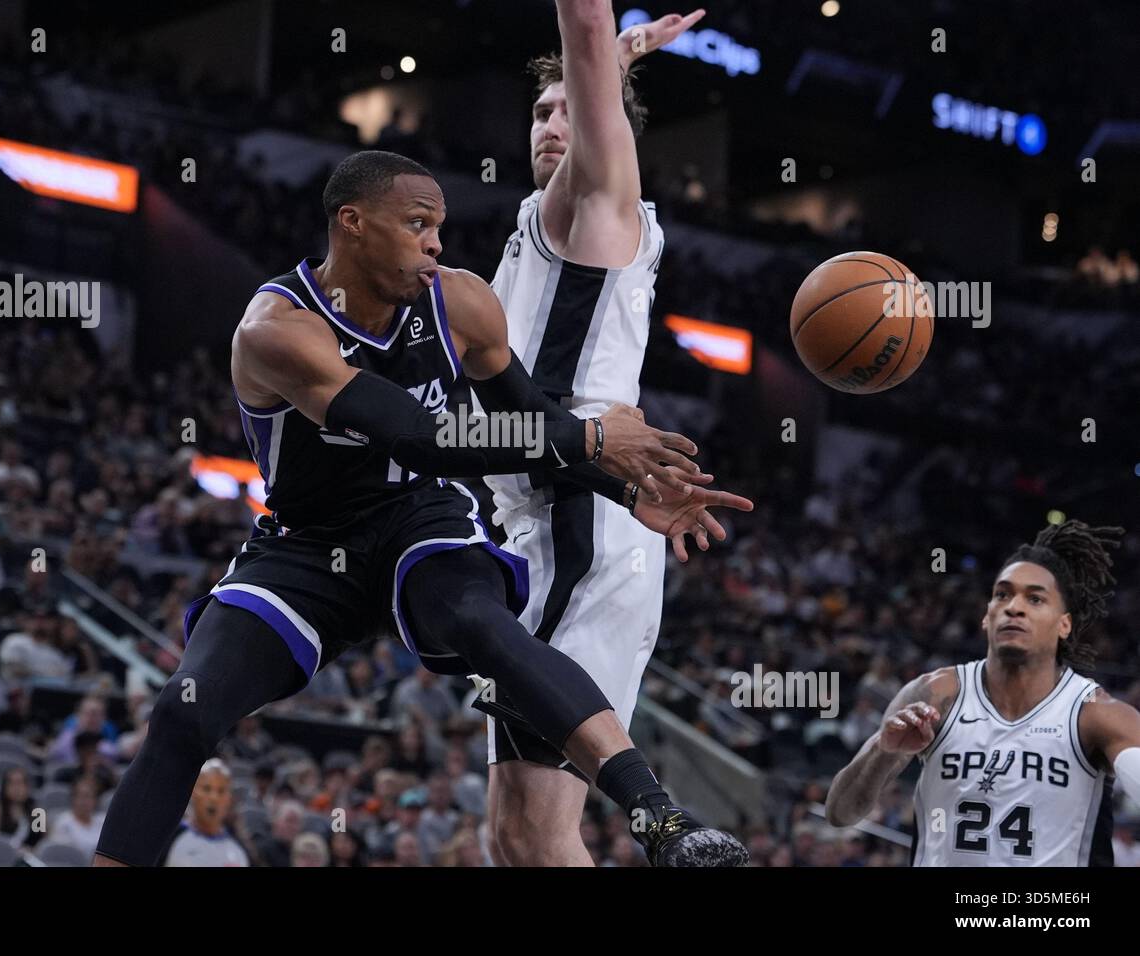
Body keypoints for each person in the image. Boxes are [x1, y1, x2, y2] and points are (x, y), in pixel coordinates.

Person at [94, 149, 750, 868]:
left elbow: (528, 424)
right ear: (352, 223)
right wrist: (592, 433)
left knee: (480, 623)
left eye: (438, 226)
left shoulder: (461, 301)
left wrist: (626, 491)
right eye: (416, 224)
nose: (436, 243)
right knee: (183, 710)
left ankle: (659, 817)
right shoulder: (277, 328)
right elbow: (420, 433)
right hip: (308, 545)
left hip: (419, 519)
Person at [480, 4, 728, 865]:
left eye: (567, 109)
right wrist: (620, 58)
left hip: (581, 509)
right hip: (541, 514)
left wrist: (602, 47)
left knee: (538, 833)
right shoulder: (540, 218)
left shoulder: (598, 197)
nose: (551, 122)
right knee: (516, 834)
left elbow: (583, 28)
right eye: (538, 111)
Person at [826, 521, 1140, 866]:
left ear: (1064, 624)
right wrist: (882, 753)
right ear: (986, 617)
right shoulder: (934, 694)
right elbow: (841, 813)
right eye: (1003, 594)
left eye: (1035, 598)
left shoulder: (1095, 714)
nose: (1014, 607)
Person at [162, 759, 249, 867]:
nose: (214, 798)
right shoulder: (168, 837)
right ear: (192, 792)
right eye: (206, 789)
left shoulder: (239, 850)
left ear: (229, 799)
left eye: (221, 791)